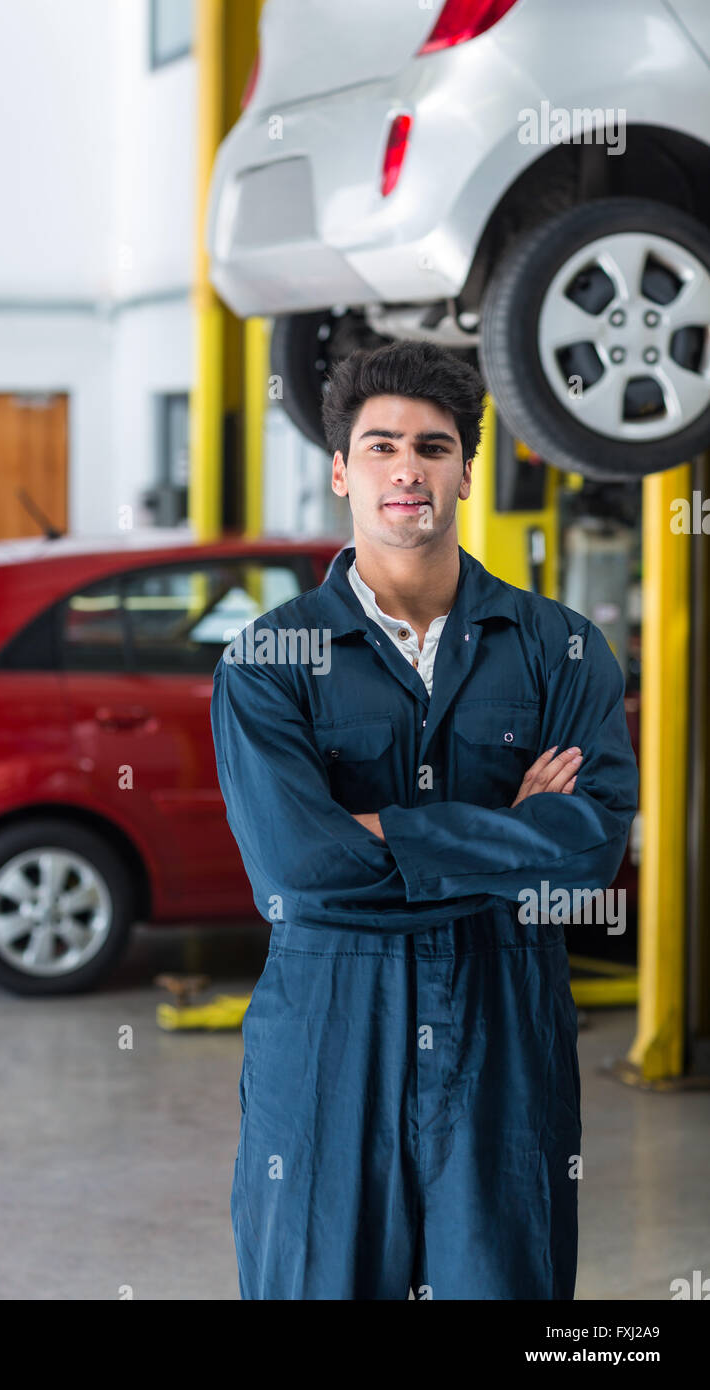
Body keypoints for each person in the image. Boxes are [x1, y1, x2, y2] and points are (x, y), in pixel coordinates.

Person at [210, 340, 638, 1301]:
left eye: (434, 447)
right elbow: (299, 872)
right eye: (380, 446)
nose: (408, 468)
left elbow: (590, 855)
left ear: (467, 473)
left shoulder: (562, 650)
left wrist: (383, 835)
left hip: (504, 1033)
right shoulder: (268, 660)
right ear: (339, 471)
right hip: (330, 1039)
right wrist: (506, 840)